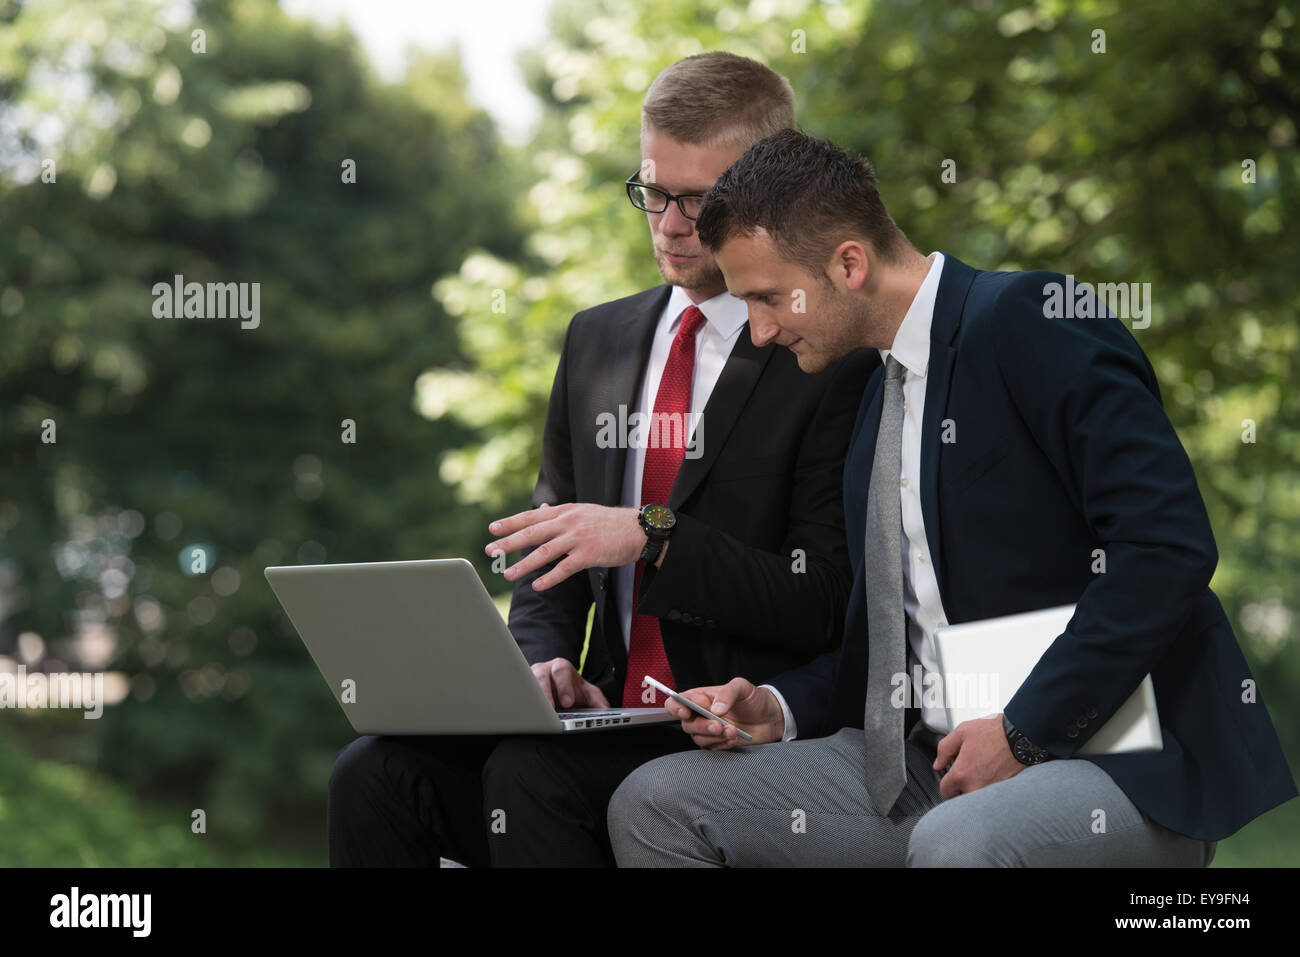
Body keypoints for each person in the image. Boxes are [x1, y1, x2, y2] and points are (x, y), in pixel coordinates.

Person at [607, 129, 1298, 866]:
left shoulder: (1031, 318)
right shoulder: (876, 399)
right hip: (927, 765)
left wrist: (1025, 729)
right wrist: (776, 708)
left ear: (849, 262)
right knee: (654, 804)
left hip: (1119, 756)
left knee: (954, 843)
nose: (760, 330)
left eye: (768, 297)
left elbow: (1168, 548)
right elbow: (885, 644)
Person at [327, 58, 876, 867]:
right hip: (597, 721)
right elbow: (549, 560)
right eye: (653, 192)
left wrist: (654, 537)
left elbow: (826, 599)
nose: (670, 223)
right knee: (373, 771)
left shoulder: (821, 351)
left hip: (727, 731)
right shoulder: (598, 339)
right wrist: (541, 664)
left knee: (530, 773)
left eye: (700, 199)